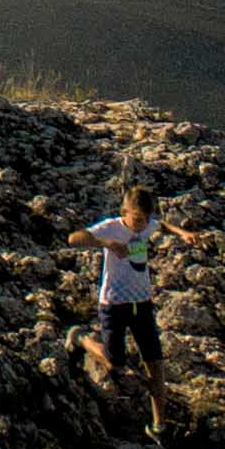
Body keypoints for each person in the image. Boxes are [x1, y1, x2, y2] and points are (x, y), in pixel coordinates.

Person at [79, 180, 187, 432]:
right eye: (137, 219)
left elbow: (162, 225)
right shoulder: (111, 228)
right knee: (114, 364)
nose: (142, 225)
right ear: (124, 213)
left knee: (156, 365)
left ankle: (159, 427)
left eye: (146, 219)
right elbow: (76, 237)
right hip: (114, 305)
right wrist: (107, 243)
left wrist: (183, 233)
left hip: (142, 305)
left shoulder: (148, 225)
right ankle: (82, 339)